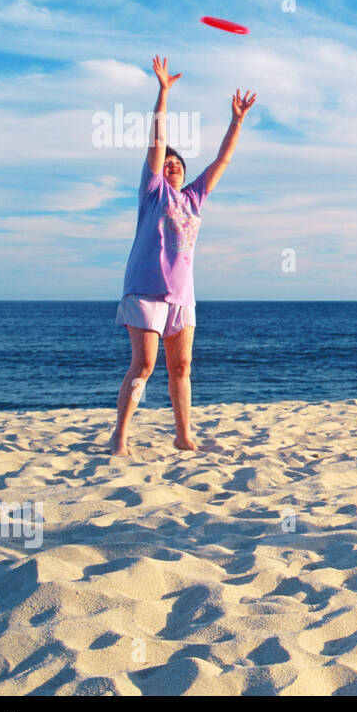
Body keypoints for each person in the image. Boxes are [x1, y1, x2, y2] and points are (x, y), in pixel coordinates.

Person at [107, 56, 256, 455]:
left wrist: (237, 120)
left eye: (177, 164)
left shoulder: (194, 198)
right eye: (167, 163)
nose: (171, 165)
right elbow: (157, 141)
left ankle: (183, 435)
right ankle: (119, 437)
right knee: (143, 366)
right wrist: (163, 91)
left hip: (182, 298)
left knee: (182, 367)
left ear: (184, 173)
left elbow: (222, 160)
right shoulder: (153, 193)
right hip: (144, 292)